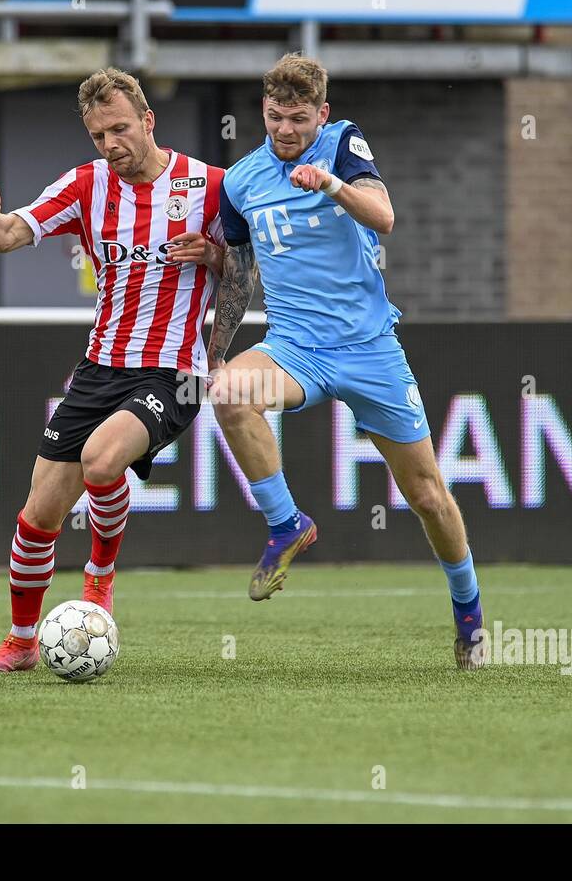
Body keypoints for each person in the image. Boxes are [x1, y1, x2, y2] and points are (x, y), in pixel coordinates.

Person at [207, 53, 485, 670]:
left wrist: (331, 183)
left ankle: (469, 616)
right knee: (226, 393)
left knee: (428, 496)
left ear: (322, 114)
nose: (286, 130)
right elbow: (238, 275)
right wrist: (213, 352)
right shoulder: (240, 181)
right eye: (276, 116)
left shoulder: (341, 144)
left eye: (299, 118)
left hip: (369, 350)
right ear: (263, 112)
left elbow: (384, 217)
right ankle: (286, 526)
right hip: (294, 348)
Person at [0, 68, 225, 672]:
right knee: (39, 514)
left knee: (103, 460)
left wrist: (214, 254)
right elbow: (7, 236)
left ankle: (99, 577)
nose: (111, 144)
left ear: (147, 121)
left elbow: (249, 268)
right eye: (98, 135)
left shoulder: (209, 186)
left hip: (174, 372)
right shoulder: (86, 186)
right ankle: (22, 642)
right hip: (99, 368)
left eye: (120, 129)